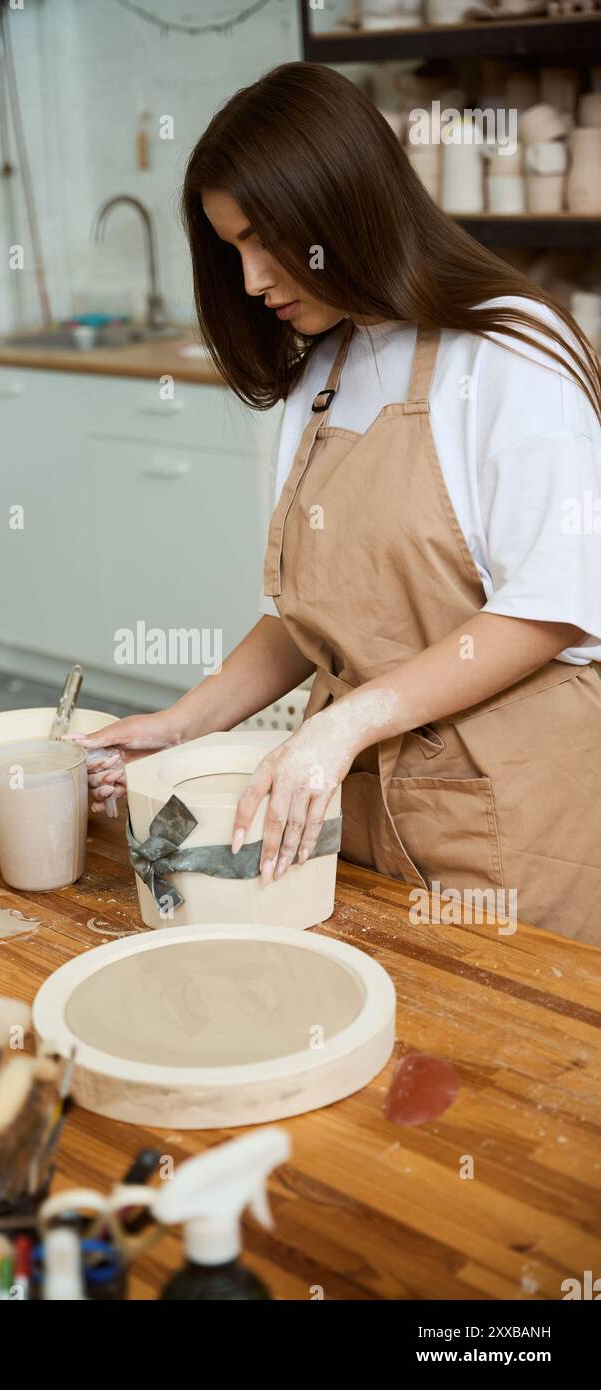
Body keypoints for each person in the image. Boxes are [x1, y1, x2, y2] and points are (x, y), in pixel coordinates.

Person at [70, 63, 601, 943]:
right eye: (229, 248)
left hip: (511, 816)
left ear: (342, 207)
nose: (248, 281)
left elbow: (552, 606)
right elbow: (311, 616)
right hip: (356, 804)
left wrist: (348, 721)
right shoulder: (325, 369)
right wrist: (181, 726)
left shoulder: (509, 351)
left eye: (264, 242)